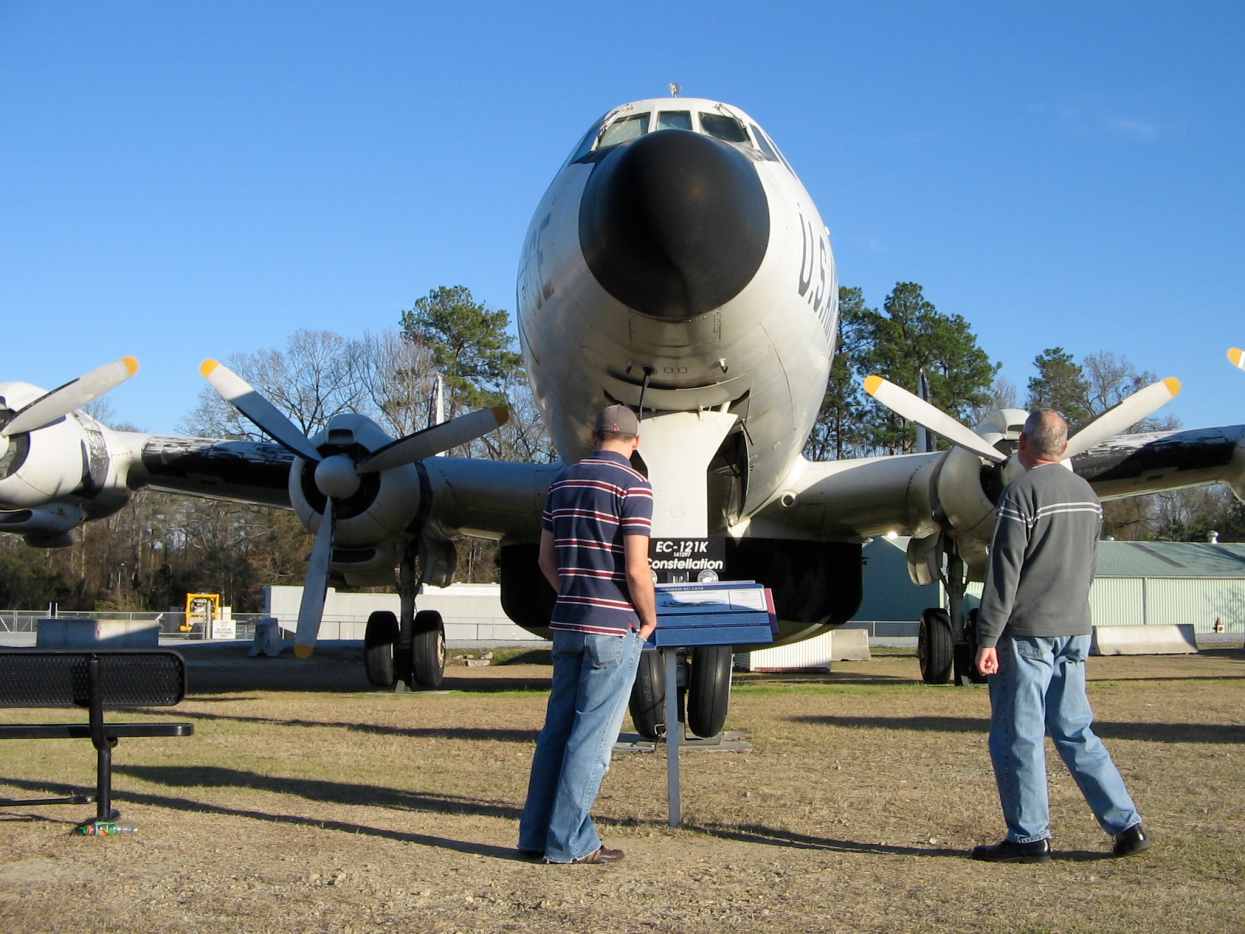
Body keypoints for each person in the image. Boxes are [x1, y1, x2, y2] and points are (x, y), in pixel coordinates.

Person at [972, 409, 1151, 863]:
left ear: (1024, 446)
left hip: (1028, 632)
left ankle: (1028, 836)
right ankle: (1126, 824)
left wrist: (987, 636)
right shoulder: (1089, 496)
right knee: (1074, 729)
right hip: (1074, 628)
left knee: (1018, 733)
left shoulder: (1020, 493)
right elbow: (1089, 568)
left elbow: (1004, 571)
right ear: (1065, 447)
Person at [517, 404, 658, 865]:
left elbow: (544, 560)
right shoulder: (634, 485)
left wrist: (574, 591)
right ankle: (570, 843)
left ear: (593, 435)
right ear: (635, 442)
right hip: (613, 628)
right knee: (592, 740)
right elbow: (637, 568)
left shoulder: (561, 481)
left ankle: (534, 837)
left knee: (556, 732)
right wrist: (648, 615)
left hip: (568, 623)